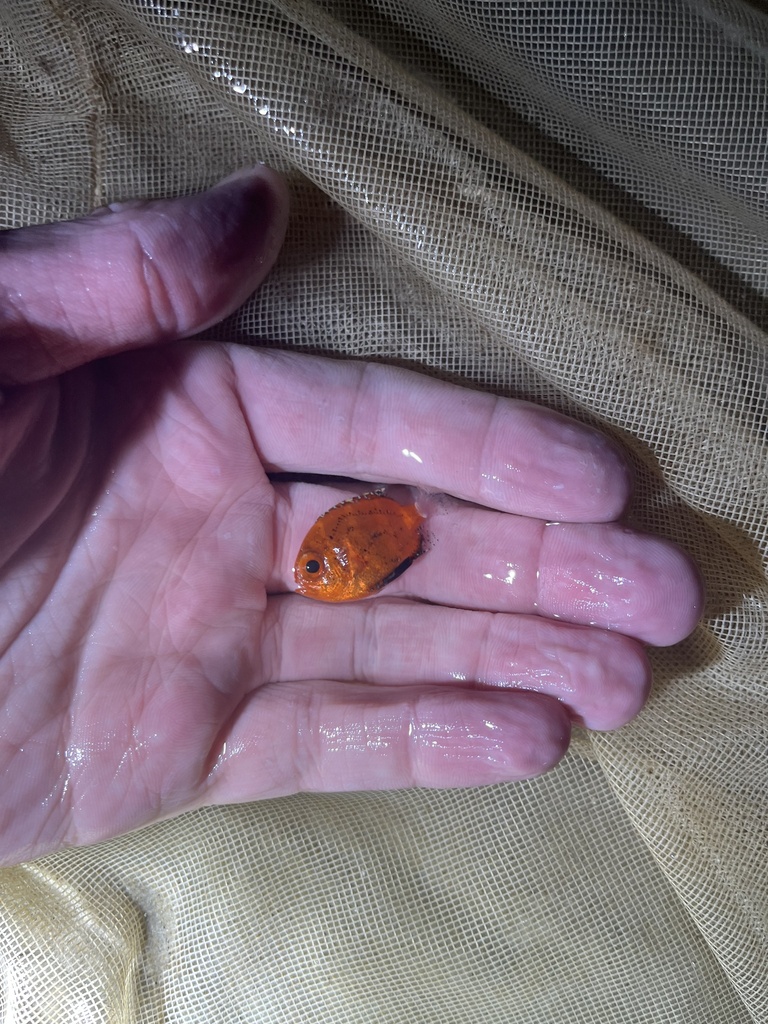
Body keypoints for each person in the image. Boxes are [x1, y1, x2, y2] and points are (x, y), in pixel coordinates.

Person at [0, 166, 702, 866]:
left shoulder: (340, 551)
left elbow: (352, 553)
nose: (313, 571)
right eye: (309, 567)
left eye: (310, 568)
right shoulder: (324, 565)